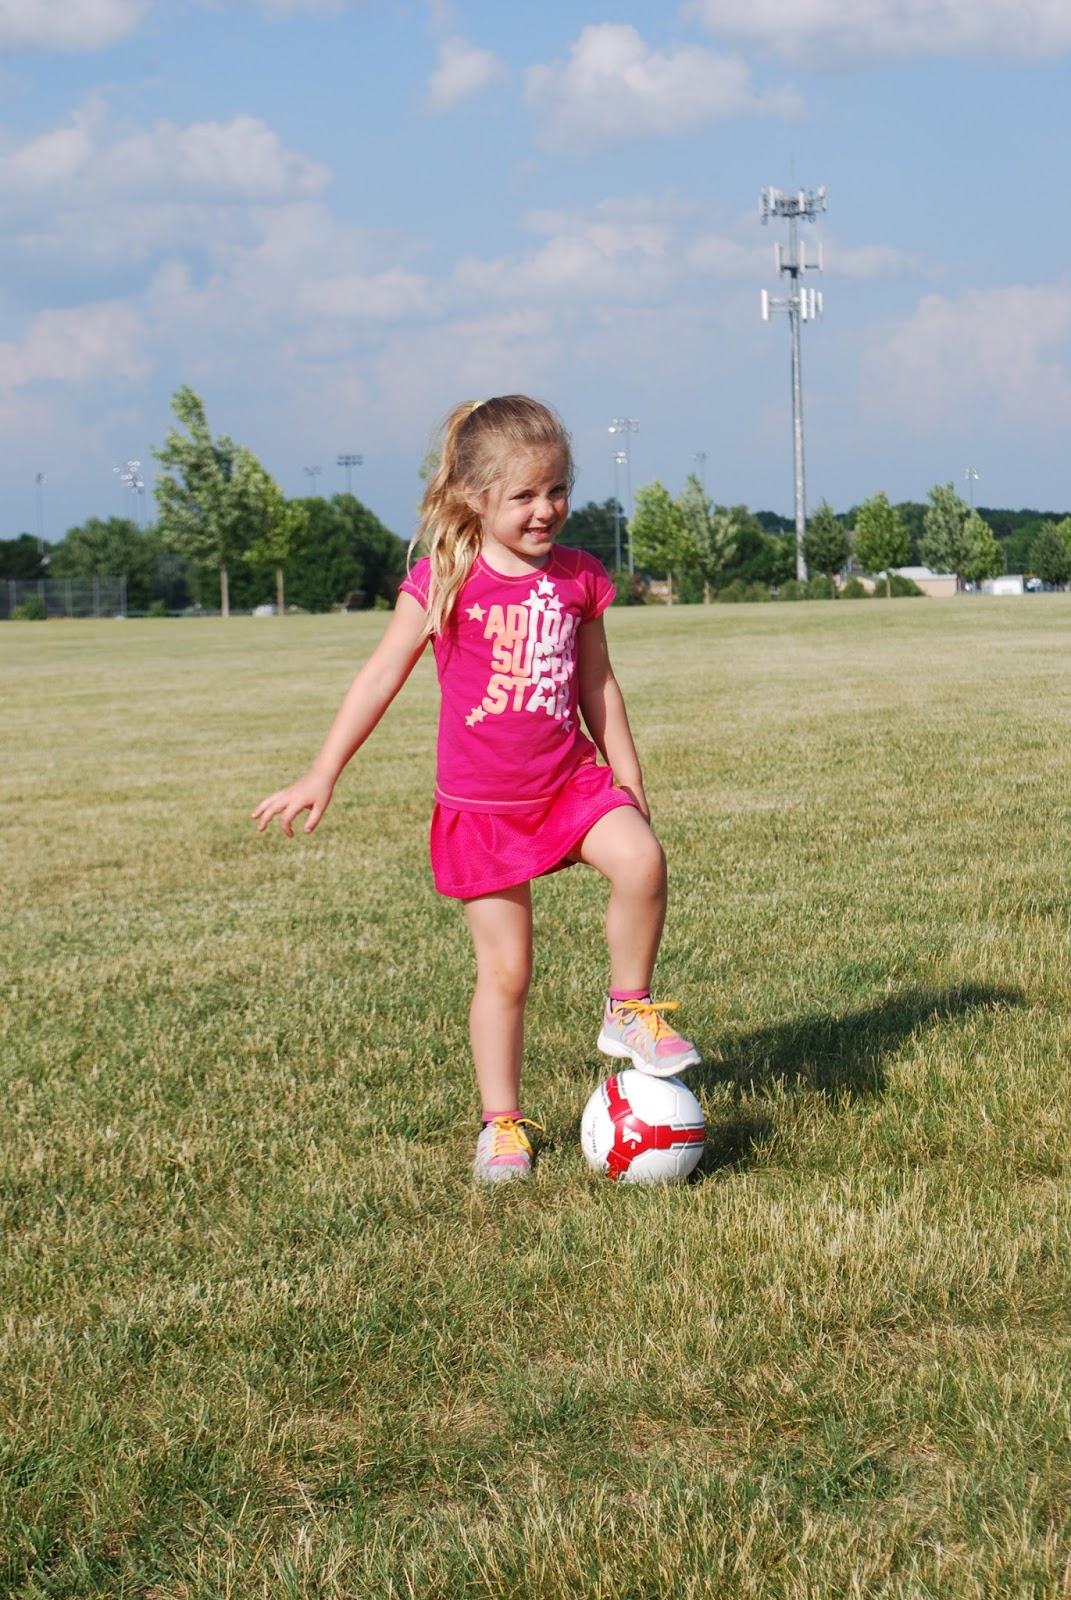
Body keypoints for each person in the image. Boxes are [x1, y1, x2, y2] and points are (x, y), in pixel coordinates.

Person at [252, 395, 699, 1182]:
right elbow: (380, 676)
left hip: (568, 784)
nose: (545, 510)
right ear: (473, 497)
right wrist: (323, 770)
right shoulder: (442, 580)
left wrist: (624, 772)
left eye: (556, 489)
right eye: (523, 495)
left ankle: (627, 1007)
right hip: (483, 812)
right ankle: (502, 1125)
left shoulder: (579, 578)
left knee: (642, 862)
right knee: (506, 974)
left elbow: (598, 684)